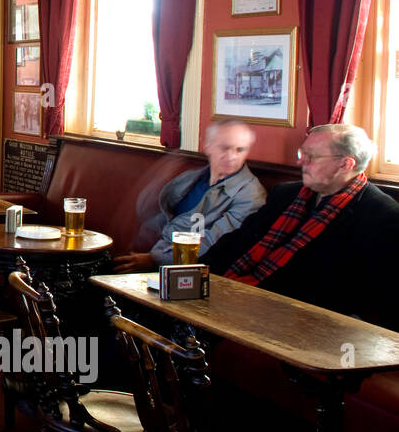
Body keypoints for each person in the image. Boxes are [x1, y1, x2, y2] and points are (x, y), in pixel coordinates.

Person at [203, 124, 399, 329]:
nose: (300, 161)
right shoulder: (285, 194)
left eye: (311, 157)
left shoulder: (382, 216)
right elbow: (238, 241)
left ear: (345, 164)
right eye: (301, 153)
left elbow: (373, 299)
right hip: (240, 290)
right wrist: (198, 275)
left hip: (301, 320)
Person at [111, 120, 265, 273]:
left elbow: (215, 243)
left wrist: (154, 259)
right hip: (151, 253)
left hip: (187, 270)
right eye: (225, 148)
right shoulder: (191, 178)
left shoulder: (250, 195)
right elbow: (153, 216)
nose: (232, 156)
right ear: (208, 147)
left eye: (240, 150)